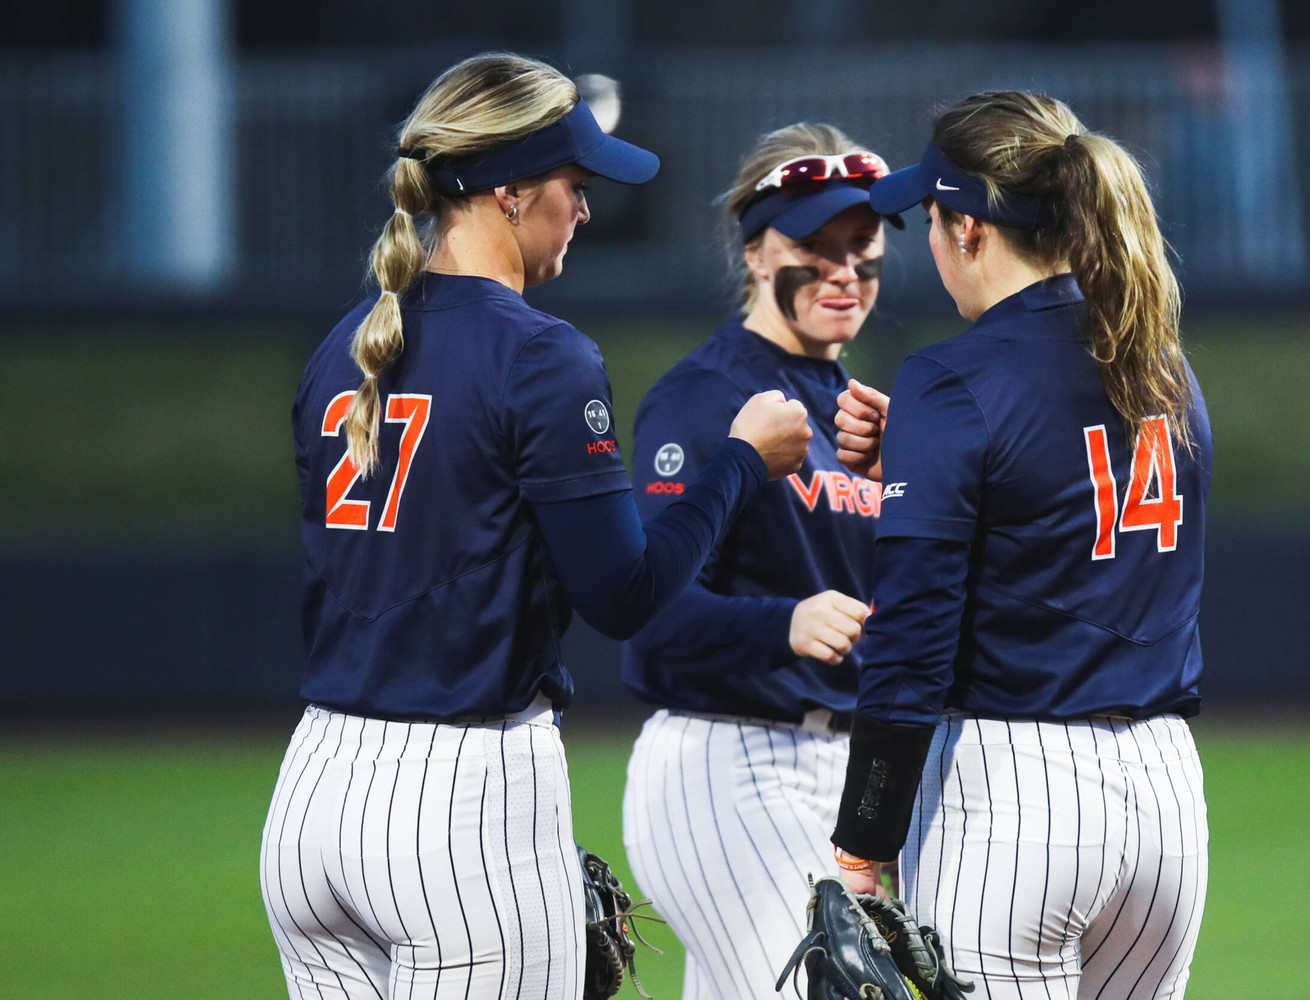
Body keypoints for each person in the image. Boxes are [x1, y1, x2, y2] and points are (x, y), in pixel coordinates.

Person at [258, 52, 812, 1000]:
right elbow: (624, 596)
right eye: (574, 184)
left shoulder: (343, 348)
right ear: (510, 192)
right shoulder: (541, 355)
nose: (585, 210)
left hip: (313, 792)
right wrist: (736, 464)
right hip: (460, 798)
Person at [827, 91, 1213, 999]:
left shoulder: (952, 379)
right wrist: (922, 461)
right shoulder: (1158, 359)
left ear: (969, 228)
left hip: (1014, 795)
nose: (930, 241)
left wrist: (862, 843)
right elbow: (1060, 503)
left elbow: (912, 632)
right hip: (1167, 793)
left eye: (930, 219)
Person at [618, 124, 894, 999]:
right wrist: (784, 623)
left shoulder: (858, 410)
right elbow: (646, 610)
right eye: (815, 245)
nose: (843, 269)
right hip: (726, 760)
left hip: (837, 768)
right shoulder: (706, 397)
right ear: (755, 251)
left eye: (862, 244)